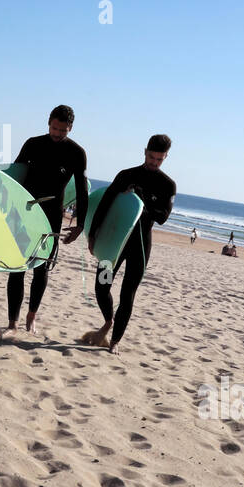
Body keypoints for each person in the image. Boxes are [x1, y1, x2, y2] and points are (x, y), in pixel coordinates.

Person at [0, 105, 88, 341]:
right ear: (49, 123)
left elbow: (81, 190)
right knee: (17, 267)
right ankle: (12, 323)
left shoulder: (77, 153)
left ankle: (31, 316)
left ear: (71, 128)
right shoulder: (33, 144)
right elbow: (14, 176)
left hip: (51, 216)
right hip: (25, 211)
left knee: (41, 268)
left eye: (63, 130)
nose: (57, 134)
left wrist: (80, 224)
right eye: (55, 128)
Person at [81, 135, 176, 352]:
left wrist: (140, 200)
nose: (154, 162)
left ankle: (114, 342)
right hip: (114, 242)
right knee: (102, 286)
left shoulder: (167, 185)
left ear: (165, 158)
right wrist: (93, 233)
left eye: (159, 159)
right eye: (151, 157)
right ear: (145, 152)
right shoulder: (127, 175)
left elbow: (162, 217)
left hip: (140, 246)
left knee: (127, 293)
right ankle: (108, 320)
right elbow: (105, 203)